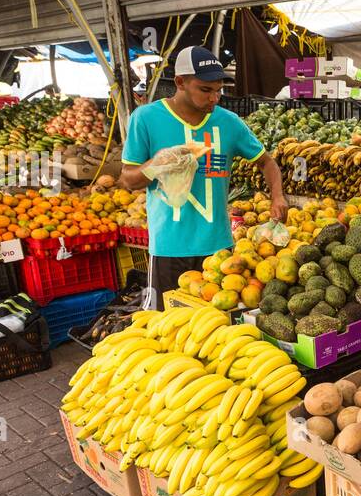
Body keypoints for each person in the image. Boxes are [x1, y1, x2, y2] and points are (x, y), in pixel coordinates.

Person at [119, 45, 287, 307]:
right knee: (168, 328)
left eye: (219, 90)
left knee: (217, 330)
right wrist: (157, 164)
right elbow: (128, 180)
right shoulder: (146, 118)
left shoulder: (229, 122)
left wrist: (277, 195)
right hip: (168, 248)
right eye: (206, 90)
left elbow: (267, 162)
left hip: (218, 247)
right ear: (180, 82)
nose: (215, 98)